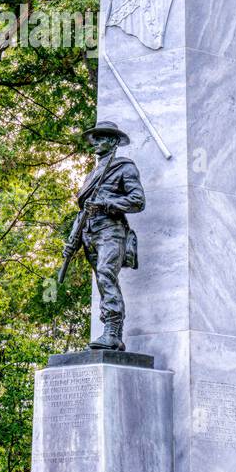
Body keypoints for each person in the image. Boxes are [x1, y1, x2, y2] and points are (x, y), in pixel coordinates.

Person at [59, 120, 145, 351]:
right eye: (94, 137)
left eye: (102, 137)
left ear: (114, 141)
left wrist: (106, 203)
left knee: (107, 275)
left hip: (111, 229)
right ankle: (109, 333)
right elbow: (83, 210)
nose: (96, 141)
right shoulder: (91, 174)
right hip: (88, 233)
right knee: (102, 281)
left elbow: (138, 201)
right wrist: (72, 241)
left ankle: (113, 332)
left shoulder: (124, 167)